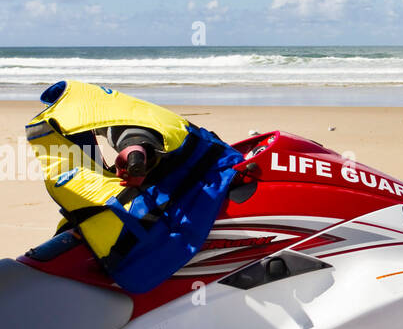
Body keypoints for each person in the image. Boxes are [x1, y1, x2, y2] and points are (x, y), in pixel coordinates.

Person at [25, 80, 244, 294]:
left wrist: (136, 151)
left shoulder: (78, 111)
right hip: (110, 226)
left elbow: (126, 131)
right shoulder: (78, 109)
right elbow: (118, 127)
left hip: (134, 226)